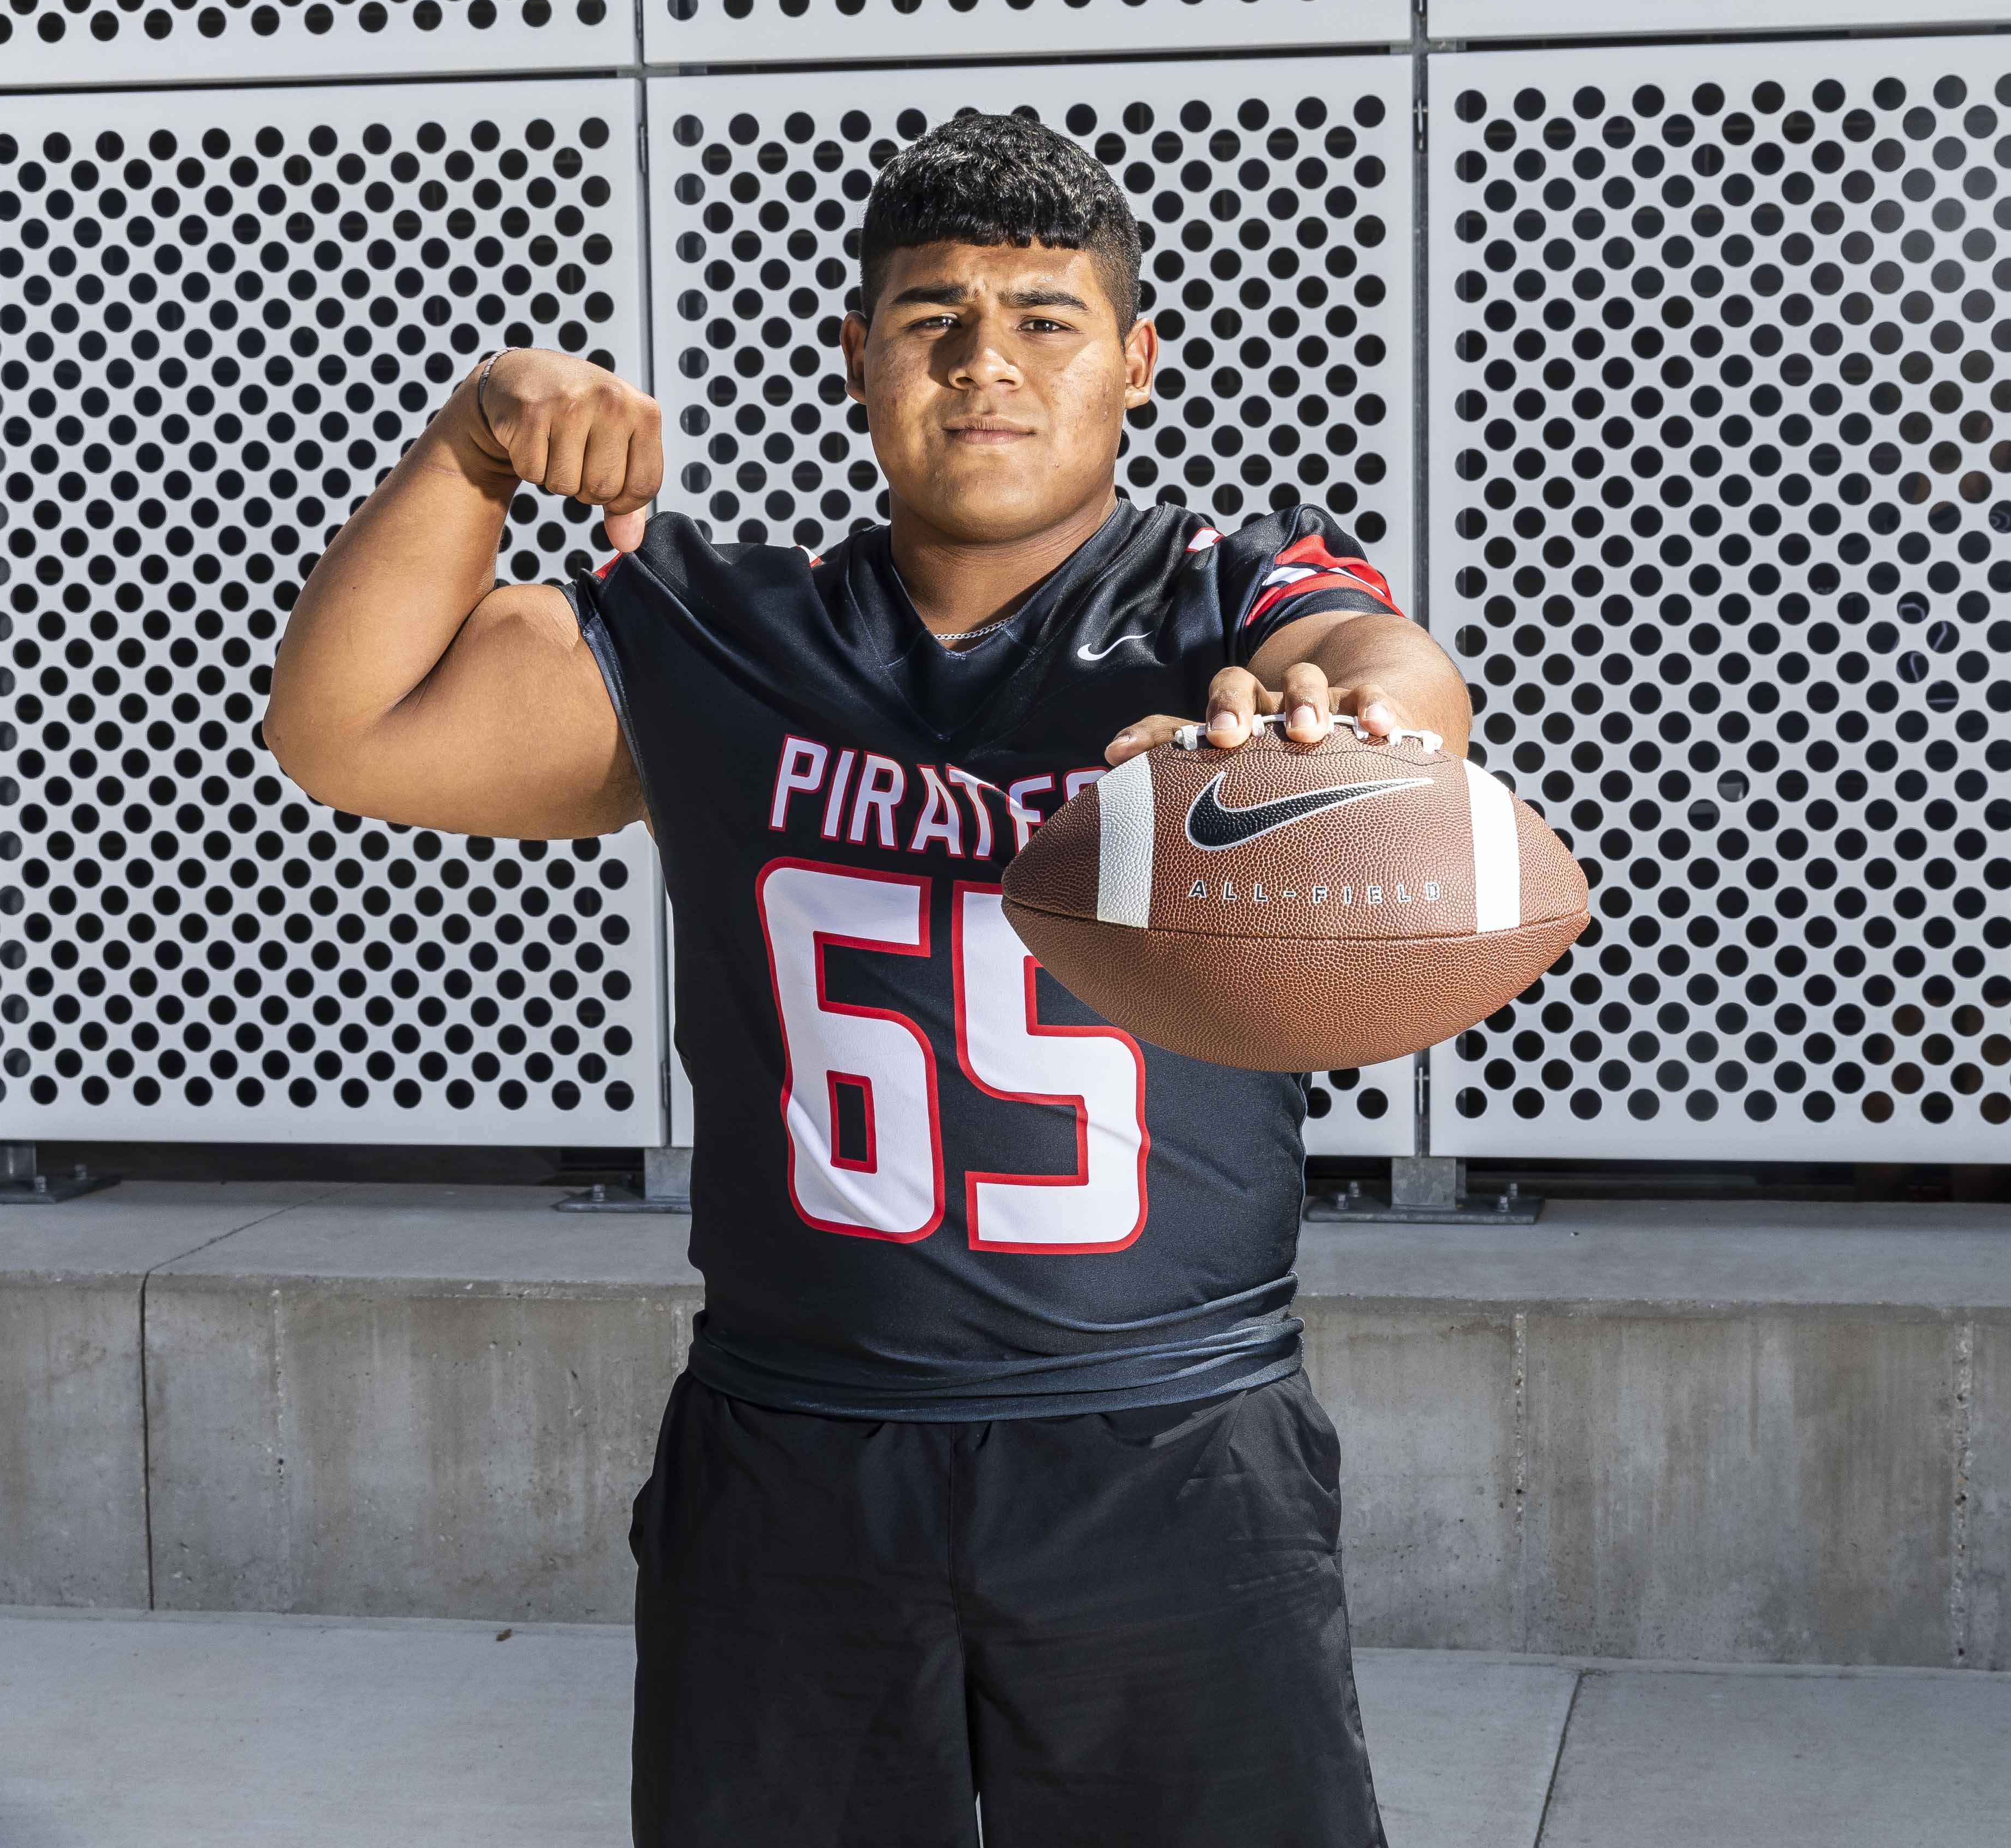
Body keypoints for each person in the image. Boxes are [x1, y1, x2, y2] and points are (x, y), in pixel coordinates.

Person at [265, 111, 1469, 1847]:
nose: (986, 361)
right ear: (855, 357)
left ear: (1133, 361)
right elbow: (345, 732)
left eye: (1044, 318)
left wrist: (1321, 735)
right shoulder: (713, 634)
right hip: (796, 1443)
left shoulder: (1224, 603)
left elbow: (1383, 673)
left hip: (1171, 1439)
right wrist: (469, 446)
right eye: (932, 319)